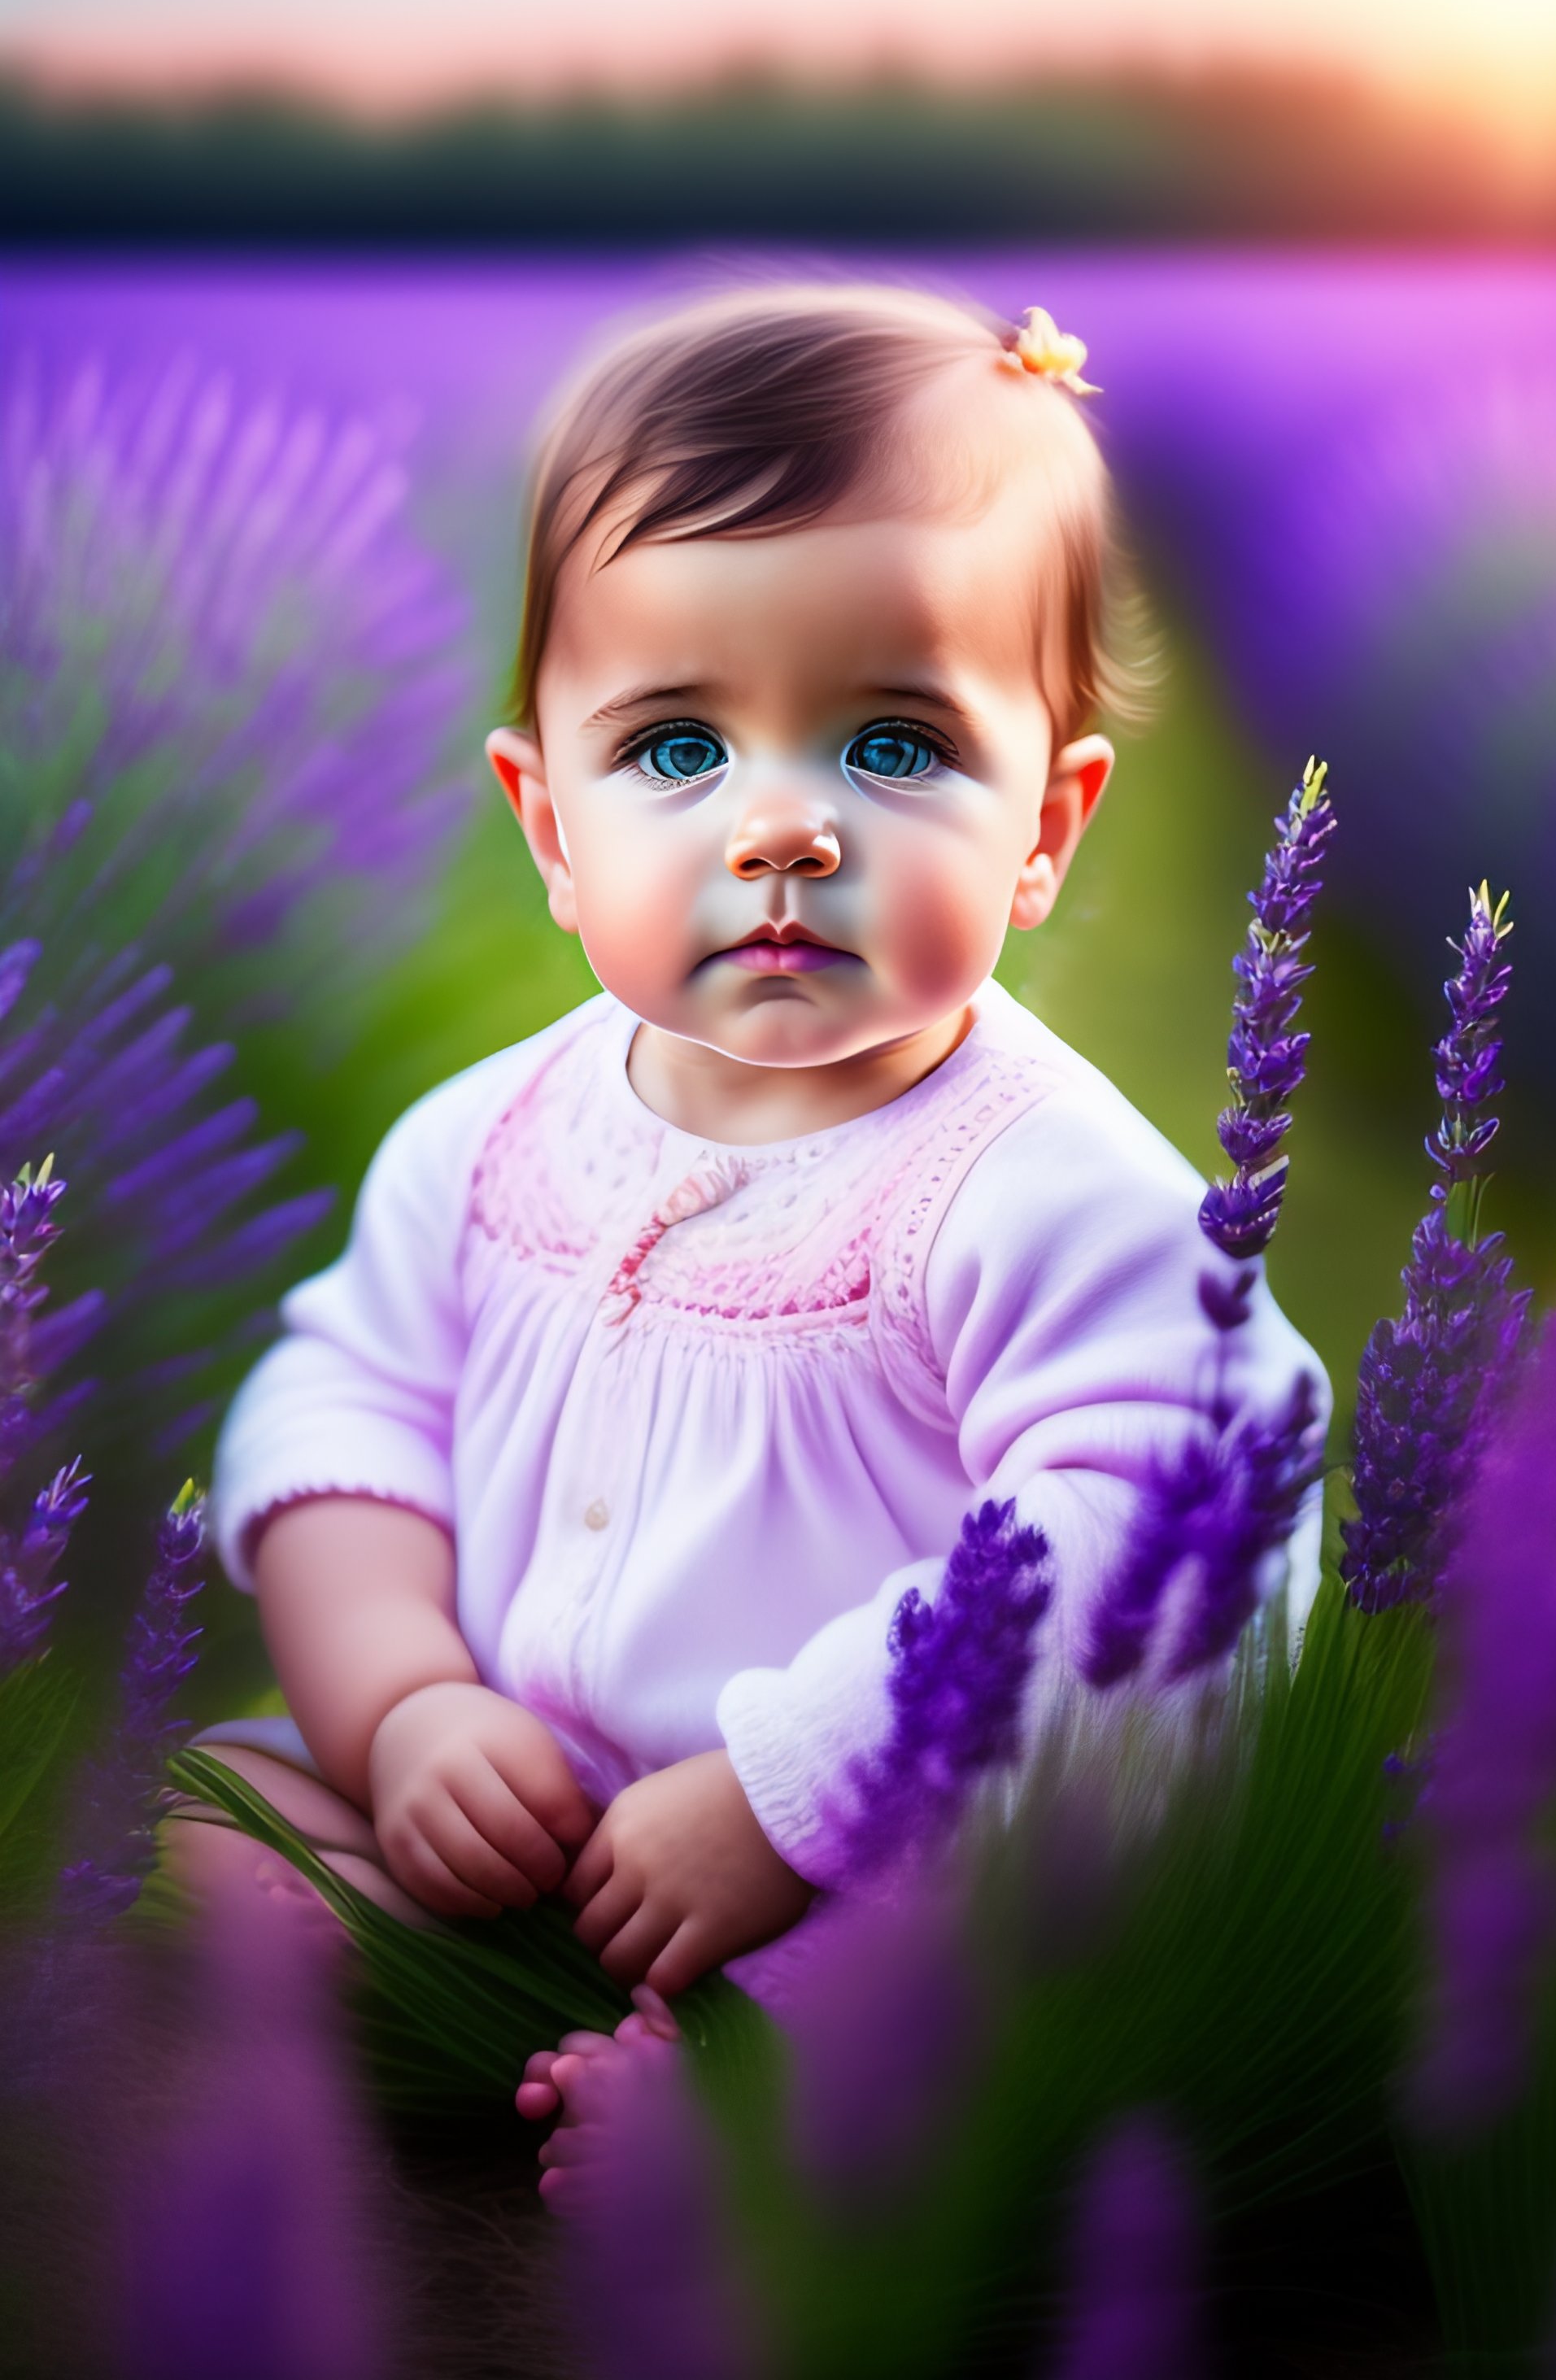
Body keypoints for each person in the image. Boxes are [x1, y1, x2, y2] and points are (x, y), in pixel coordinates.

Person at [195, 282, 1327, 2190]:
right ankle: (439, 1946)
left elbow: (1143, 1546)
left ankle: (754, 2091)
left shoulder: (1047, 1194)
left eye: (891, 747)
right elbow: (343, 1417)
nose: (782, 828)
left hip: (886, 1847)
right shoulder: (485, 1145)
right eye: (674, 748)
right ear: (545, 823)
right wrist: (405, 1708)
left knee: (996, 1961)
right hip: (532, 1795)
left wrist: (792, 1797)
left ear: (1045, 822)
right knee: (219, 1793)